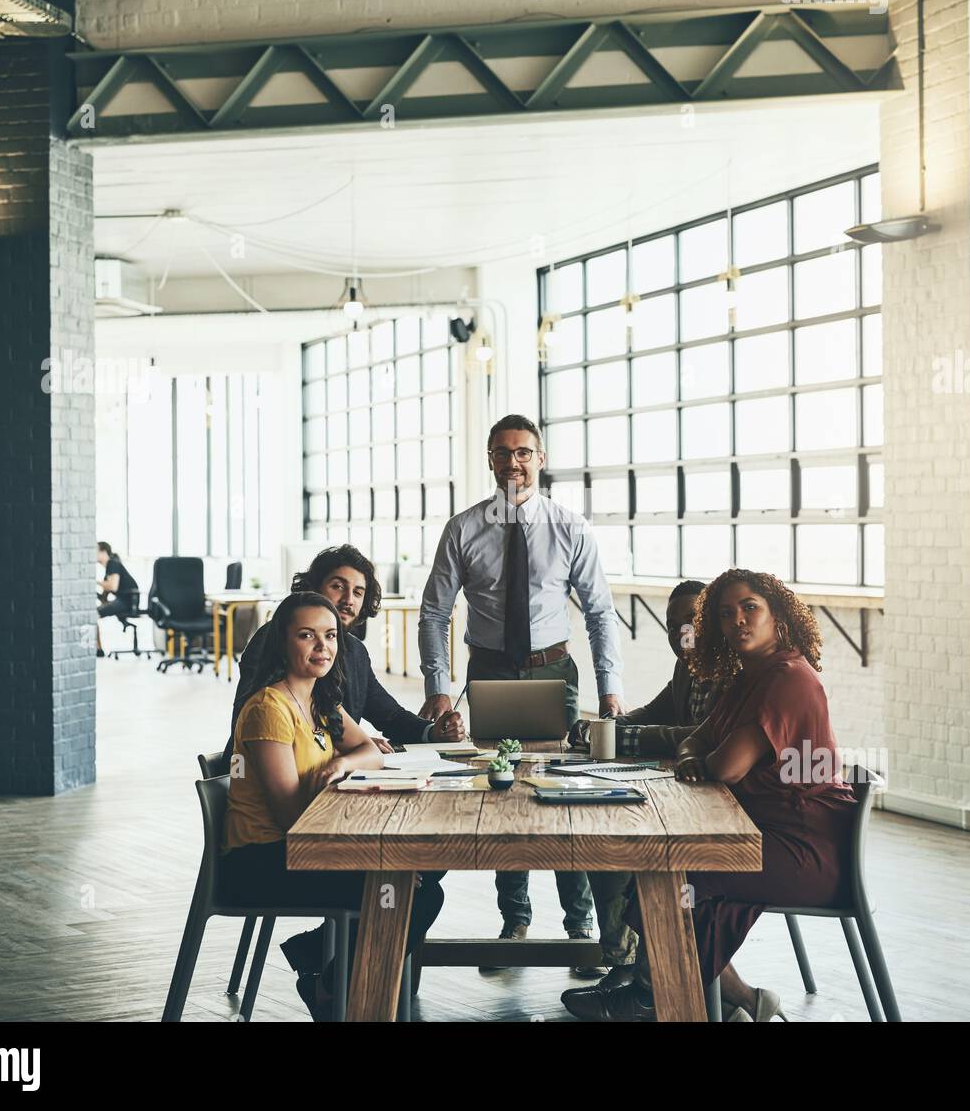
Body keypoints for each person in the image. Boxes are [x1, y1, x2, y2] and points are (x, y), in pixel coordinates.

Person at [561, 569, 858, 1022]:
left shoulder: (788, 678)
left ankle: (653, 996)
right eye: (725, 614)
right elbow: (695, 742)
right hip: (766, 834)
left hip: (805, 850)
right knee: (685, 876)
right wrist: (695, 754)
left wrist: (703, 756)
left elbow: (726, 765)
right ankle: (713, 999)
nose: (738, 620)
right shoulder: (748, 678)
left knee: (682, 877)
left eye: (749, 608)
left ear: (777, 614)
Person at [418, 413, 625, 974]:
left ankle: (581, 929)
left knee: (564, 791)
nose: (514, 462)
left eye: (524, 452)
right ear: (490, 460)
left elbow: (602, 613)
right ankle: (514, 922)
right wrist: (438, 688)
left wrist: (610, 692)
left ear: (540, 457)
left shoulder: (569, 527)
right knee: (501, 792)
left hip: (552, 673)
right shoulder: (463, 529)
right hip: (489, 671)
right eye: (503, 452)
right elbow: (435, 611)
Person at [221, 591, 446, 1020]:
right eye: (307, 636)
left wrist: (343, 762)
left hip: (301, 847)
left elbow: (371, 750)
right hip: (262, 861)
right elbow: (291, 818)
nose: (322, 646)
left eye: (329, 635)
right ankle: (342, 993)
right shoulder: (269, 708)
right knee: (405, 893)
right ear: (282, 643)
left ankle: (329, 981)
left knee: (421, 883)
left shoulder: (318, 699)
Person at [566, 578, 726, 992]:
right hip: (685, 793)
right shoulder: (686, 667)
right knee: (602, 838)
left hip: (721, 809)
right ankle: (628, 964)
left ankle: (637, 976)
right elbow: (652, 713)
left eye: (691, 620)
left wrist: (624, 738)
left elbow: (697, 735)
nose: (681, 633)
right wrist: (601, 727)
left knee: (620, 848)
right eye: (672, 625)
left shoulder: (732, 671)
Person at [224, 545, 465, 762]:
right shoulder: (276, 640)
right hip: (264, 778)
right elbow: (260, 727)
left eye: (358, 592)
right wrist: (351, 749)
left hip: (326, 778)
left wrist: (433, 731)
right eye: (338, 586)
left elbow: (389, 715)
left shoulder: (354, 651)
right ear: (314, 587)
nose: (348, 600)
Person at [95, 541, 139, 657]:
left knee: (92, 615)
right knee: (94, 613)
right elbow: (105, 596)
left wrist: (95, 582)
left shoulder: (112, 563)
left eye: (95, 550)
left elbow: (113, 586)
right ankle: (98, 649)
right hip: (123, 600)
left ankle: (98, 650)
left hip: (126, 601)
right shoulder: (110, 567)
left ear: (103, 552)